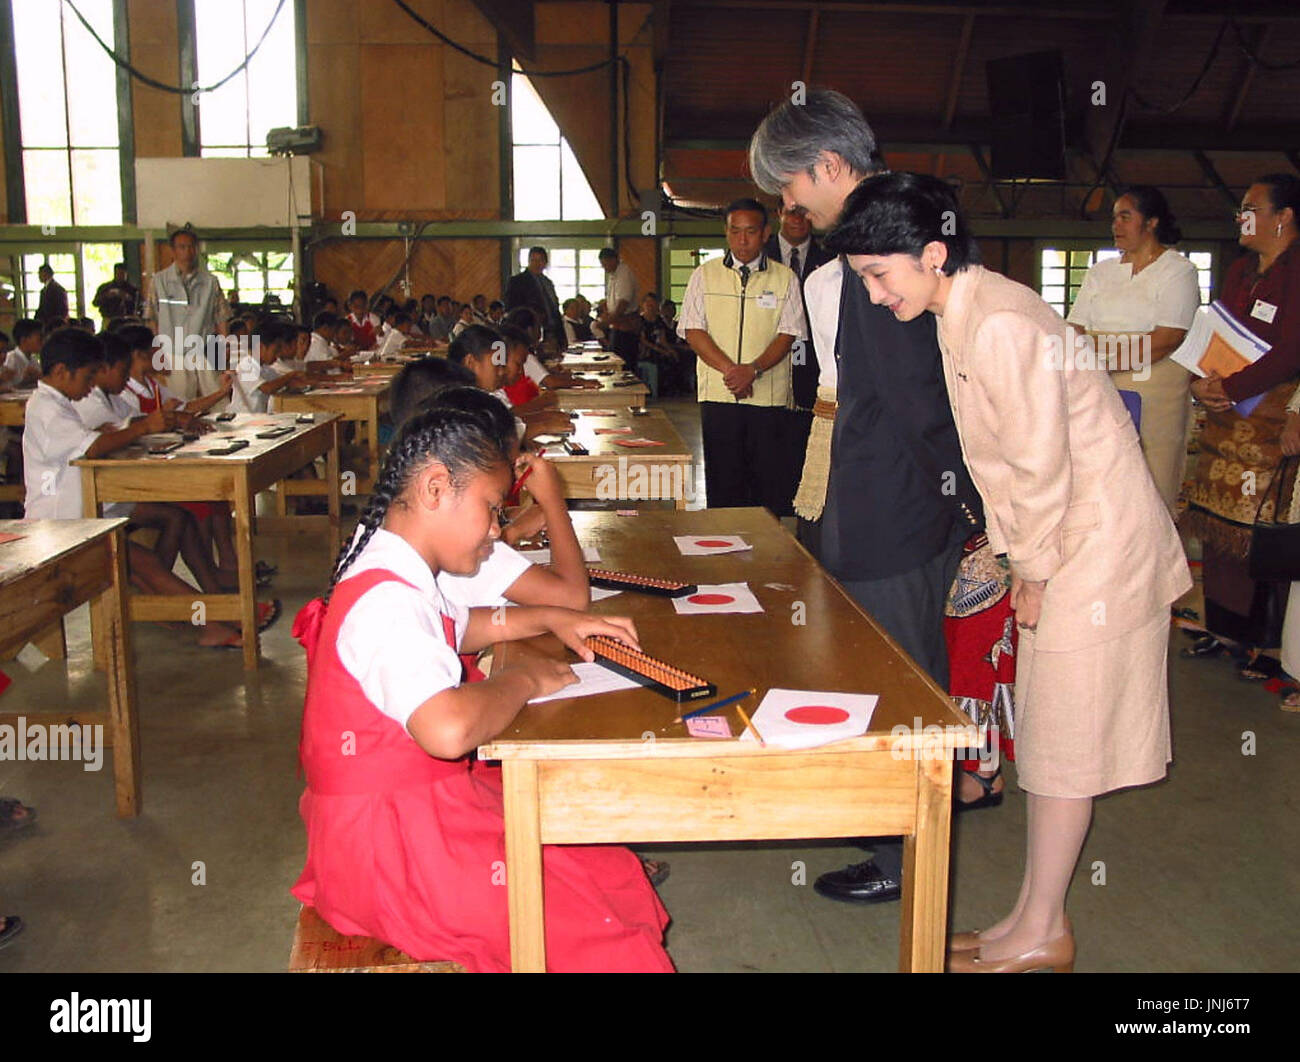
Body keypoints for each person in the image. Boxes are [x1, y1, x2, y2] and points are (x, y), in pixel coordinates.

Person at [825, 170, 1191, 972]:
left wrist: (1028, 563)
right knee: (1053, 733)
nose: (878, 298)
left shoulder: (997, 324)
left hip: (1092, 546)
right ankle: (1027, 919)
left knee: (1063, 742)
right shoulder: (966, 308)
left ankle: (1044, 931)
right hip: (1066, 537)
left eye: (881, 277)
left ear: (932, 253)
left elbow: (1035, 463)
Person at [290, 405, 673, 972]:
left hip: (409, 815)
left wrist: (551, 620)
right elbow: (446, 729)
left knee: (603, 866)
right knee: (594, 929)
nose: (497, 528)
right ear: (436, 489)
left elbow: (464, 625)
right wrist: (523, 678)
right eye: (491, 509)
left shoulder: (398, 564)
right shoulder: (385, 601)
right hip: (392, 850)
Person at [748, 89, 992, 902]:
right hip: (883, 491)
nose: (787, 206)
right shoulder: (883, 227)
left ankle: (905, 861)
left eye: (788, 189)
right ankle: (904, 827)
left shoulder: (878, 241)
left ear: (826, 165)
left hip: (901, 500)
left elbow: (916, 400)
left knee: (901, 679)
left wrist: (973, 511)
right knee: (885, 670)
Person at [23, 328, 261, 646]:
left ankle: (203, 613)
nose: (91, 383)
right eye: (88, 375)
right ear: (61, 371)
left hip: (91, 512)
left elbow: (107, 432)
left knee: (164, 534)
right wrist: (145, 426)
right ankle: (212, 620)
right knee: (141, 562)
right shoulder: (46, 407)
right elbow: (91, 447)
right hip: (62, 522)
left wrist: (139, 426)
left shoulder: (59, 402)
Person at [1180, 173, 1300, 681]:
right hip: (1226, 415)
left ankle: (1265, 643)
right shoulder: (1242, 269)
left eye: (1251, 207)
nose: (1241, 217)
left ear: (1284, 216)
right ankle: (1225, 628)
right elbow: (1216, 328)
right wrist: (1201, 381)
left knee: (1260, 527)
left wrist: (1232, 388)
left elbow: (1293, 349)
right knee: (1218, 522)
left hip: (1273, 416)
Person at [1068, 187, 1200, 515]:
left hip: (1155, 390)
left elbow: (1168, 337)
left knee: (1151, 482)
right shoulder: (1101, 271)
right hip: (1097, 387)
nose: (1116, 225)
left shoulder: (1177, 270)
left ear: (1152, 222)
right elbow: (1076, 326)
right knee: (1099, 482)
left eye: (1125, 217)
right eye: (1114, 218)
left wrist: (1103, 363)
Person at [677, 198, 805, 515]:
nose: (742, 240)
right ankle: (726, 557)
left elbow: (788, 333)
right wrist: (732, 372)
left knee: (768, 486)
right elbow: (693, 330)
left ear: (765, 233)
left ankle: (767, 558)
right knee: (723, 483)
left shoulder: (785, 278)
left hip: (768, 399)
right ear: (726, 233)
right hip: (719, 396)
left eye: (750, 232)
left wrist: (753, 370)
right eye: (735, 232)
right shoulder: (704, 276)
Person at [765, 203, 834, 507]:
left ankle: (800, 504)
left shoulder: (829, 259)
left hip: (814, 361)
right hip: (764, 360)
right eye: (792, 212)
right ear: (779, 213)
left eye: (805, 213)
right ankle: (767, 506)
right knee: (767, 436)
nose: (798, 220)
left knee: (804, 436)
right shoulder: (759, 255)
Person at [144, 225, 232, 400]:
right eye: (182, 247)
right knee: (182, 400)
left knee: (218, 398)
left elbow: (222, 318)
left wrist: (224, 348)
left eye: (191, 246)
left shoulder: (210, 282)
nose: (188, 251)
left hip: (205, 349)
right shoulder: (159, 281)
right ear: (173, 251)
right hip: (172, 350)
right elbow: (151, 317)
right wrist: (157, 351)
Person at [596, 247, 641, 375]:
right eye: (602, 265)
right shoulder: (613, 275)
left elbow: (623, 304)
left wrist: (607, 322)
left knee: (624, 365)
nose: (604, 267)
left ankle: (628, 394)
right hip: (617, 325)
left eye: (605, 264)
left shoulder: (624, 273)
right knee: (616, 363)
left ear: (614, 260)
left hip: (626, 326)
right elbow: (613, 301)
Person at [504, 247, 563, 345]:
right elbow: (512, 309)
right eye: (533, 260)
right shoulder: (517, 281)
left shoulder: (548, 283)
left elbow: (554, 308)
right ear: (528, 261)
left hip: (551, 331)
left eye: (540, 260)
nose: (537, 264)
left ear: (545, 263)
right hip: (528, 331)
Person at [2, 319, 42, 387]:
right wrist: (25, 382)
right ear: (24, 340)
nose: (42, 342)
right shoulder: (11, 358)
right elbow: (7, 387)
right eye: (39, 340)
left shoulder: (33, 360)